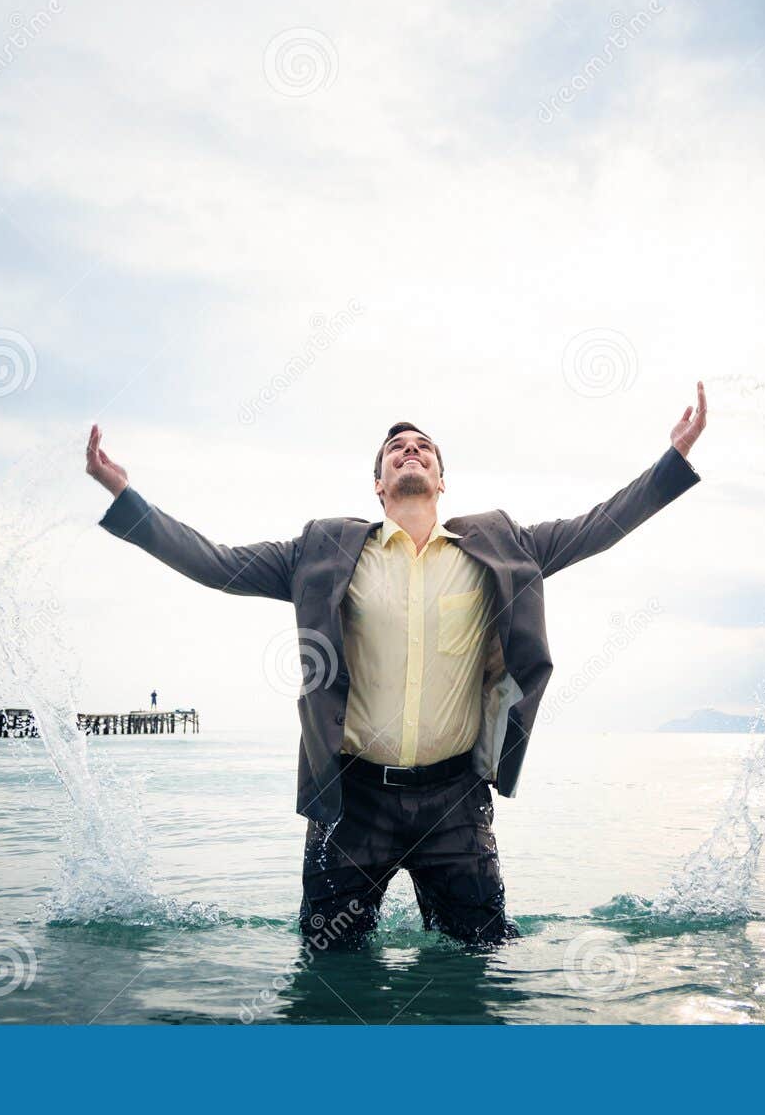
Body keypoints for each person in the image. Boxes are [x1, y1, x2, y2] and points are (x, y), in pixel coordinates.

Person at [85, 384, 706, 947]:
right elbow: (216, 564)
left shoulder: (502, 546)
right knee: (329, 964)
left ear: (441, 480)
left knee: (479, 960)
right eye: (395, 449)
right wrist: (127, 499)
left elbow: (598, 528)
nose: (410, 451)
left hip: (455, 802)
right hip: (352, 801)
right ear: (379, 485)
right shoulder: (322, 550)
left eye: (423, 448)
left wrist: (671, 461)